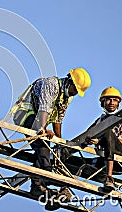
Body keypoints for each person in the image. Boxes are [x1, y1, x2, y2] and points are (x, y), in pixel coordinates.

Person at [20, 67, 91, 196]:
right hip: (26, 114)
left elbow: (58, 118)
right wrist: (42, 129)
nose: (75, 93)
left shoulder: (67, 96)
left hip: (40, 119)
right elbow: (44, 108)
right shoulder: (51, 84)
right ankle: (47, 175)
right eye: (75, 89)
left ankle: (37, 186)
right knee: (42, 144)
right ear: (69, 81)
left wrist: (59, 141)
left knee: (44, 152)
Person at [85, 87, 122, 190]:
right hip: (105, 159)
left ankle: (109, 178)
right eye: (109, 99)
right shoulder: (99, 121)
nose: (112, 102)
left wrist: (97, 141)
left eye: (115, 100)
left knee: (108, 132)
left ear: (118, 104)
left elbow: (111, 136)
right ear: (103, 103)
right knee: (77, 162)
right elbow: (87, 135)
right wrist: (88, 139)